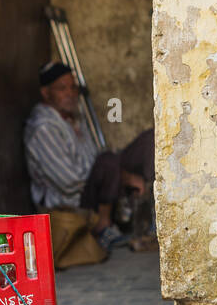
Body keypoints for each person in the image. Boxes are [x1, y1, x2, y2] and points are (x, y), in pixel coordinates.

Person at [24, 61, 154, 252]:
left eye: (73, 87)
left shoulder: (73, 117)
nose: (70, 93)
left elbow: (94, 160)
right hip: (71, 200)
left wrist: (117, 173)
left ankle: (154, 215)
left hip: (93, 185)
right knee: (108, 161)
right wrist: (122, 176)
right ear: (46, 93)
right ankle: (103, 226)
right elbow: (70, 181)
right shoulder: (43, 128)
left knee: (148, 140)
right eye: (62, 88)